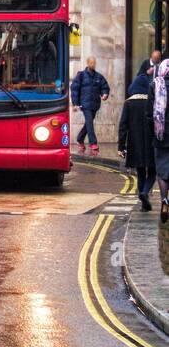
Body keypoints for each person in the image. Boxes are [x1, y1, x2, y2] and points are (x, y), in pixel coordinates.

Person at [119, 59, 156, 211]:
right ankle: (145, 192)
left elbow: (123, 126)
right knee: (153, 170)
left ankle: (143, 200)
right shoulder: (152, 102)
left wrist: (121, 146)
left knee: (140, 171)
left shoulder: (128, 103)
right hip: (151, 141)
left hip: (134, 143)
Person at [71, 56, 111, 154]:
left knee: (88, 123)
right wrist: (75, 103)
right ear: (88, 63)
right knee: (89, 122)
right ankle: (93, 143)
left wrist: (104, 94)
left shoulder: (99, 76)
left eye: (94, 63)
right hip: (85, 104)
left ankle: (80, 139)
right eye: (91, 63)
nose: (93, 65)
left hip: (95, 104)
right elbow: (74, 89)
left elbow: (105, 87)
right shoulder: (81, 75)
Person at [152, 59, 169, 224]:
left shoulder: (155, 85)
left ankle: (164, 200)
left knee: (162, 172)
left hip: (161, 135)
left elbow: (148, 114)